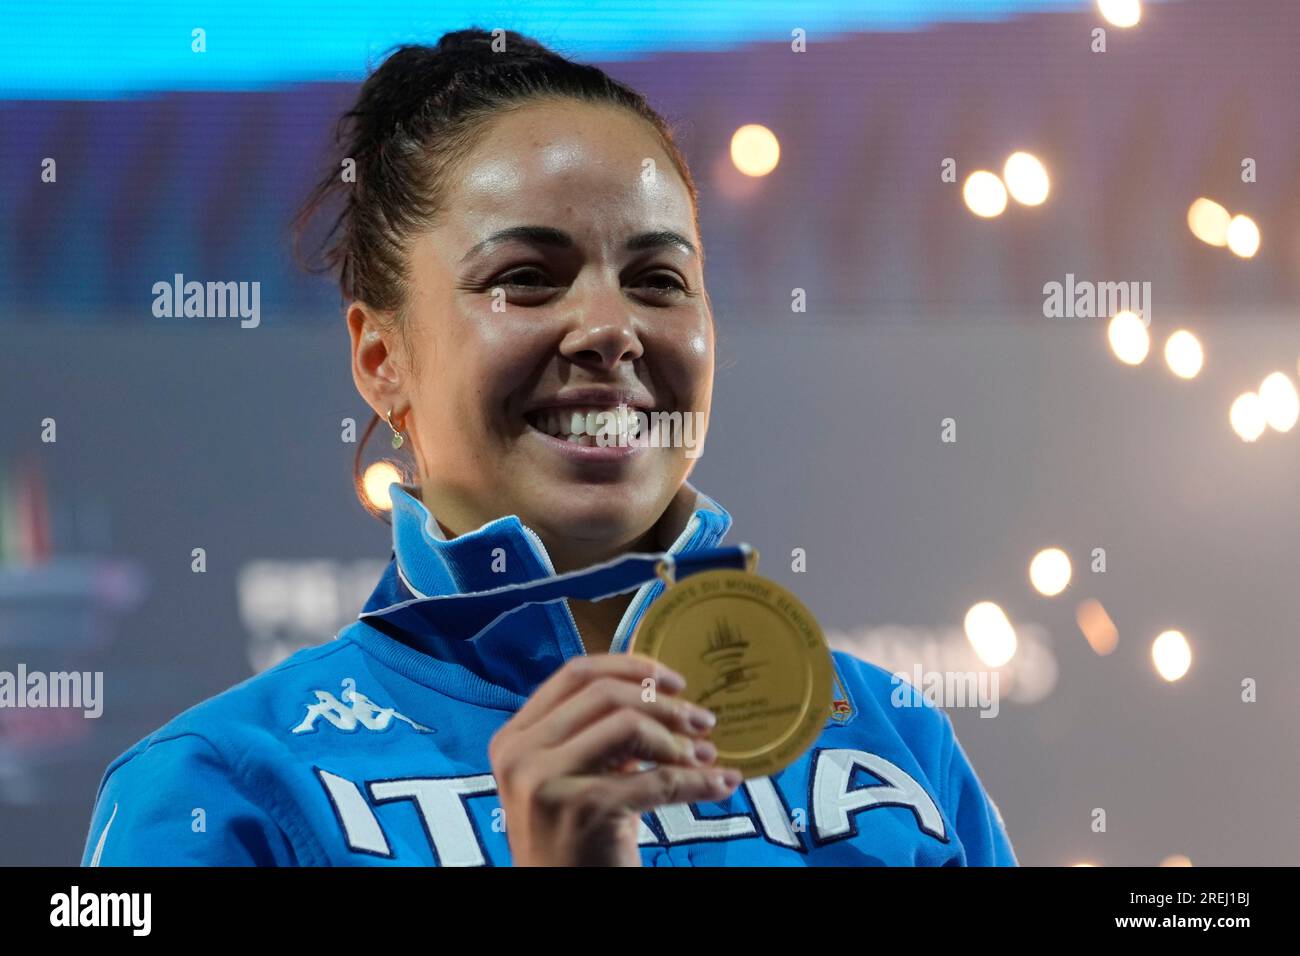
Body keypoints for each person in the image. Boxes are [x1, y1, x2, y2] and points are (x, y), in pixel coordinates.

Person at [80, 28, 1016, 866]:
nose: (610, 328)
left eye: (657, 278)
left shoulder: (892, 746)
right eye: (525, 278)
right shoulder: (221, 794)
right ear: (381, 358)